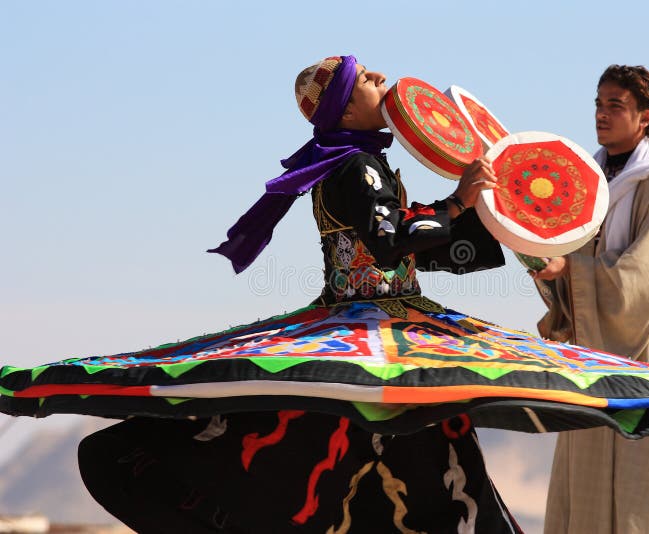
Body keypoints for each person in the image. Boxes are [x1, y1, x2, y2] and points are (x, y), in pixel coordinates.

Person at [78, 54, 525, 533]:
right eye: (364, 80)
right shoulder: (354, 164)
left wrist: (483, 217)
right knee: (396, 445)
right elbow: (390, 240)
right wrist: (457, 202)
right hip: (367, 335)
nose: (380, 77)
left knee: (388, 446)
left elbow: (408, 251)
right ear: (347, 113)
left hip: (381, 331)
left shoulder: (362, 162)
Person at [532, 65, 649, 533]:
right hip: (590, 354)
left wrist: (572, 268)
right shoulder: (583, 185)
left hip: (646, 356)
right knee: (584, 478)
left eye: (616, 105)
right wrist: (544, 260)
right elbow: (565, 264)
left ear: (645, 117)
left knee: (643, 489)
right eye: (598, 103)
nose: (602, 114)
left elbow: (640, 280)